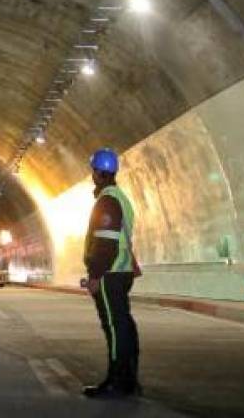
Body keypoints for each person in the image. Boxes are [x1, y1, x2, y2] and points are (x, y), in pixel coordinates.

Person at [81, 147, 142, 398]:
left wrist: (95, 276)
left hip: (110, 275)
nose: (92, 175)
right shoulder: (120, 198)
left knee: (115, 328)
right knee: (124, 324)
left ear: (97, 172)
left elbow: (106, 243)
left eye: (93, 171)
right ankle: (129, 379)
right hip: (121, 271)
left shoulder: (106, 201)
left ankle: (117, 382)